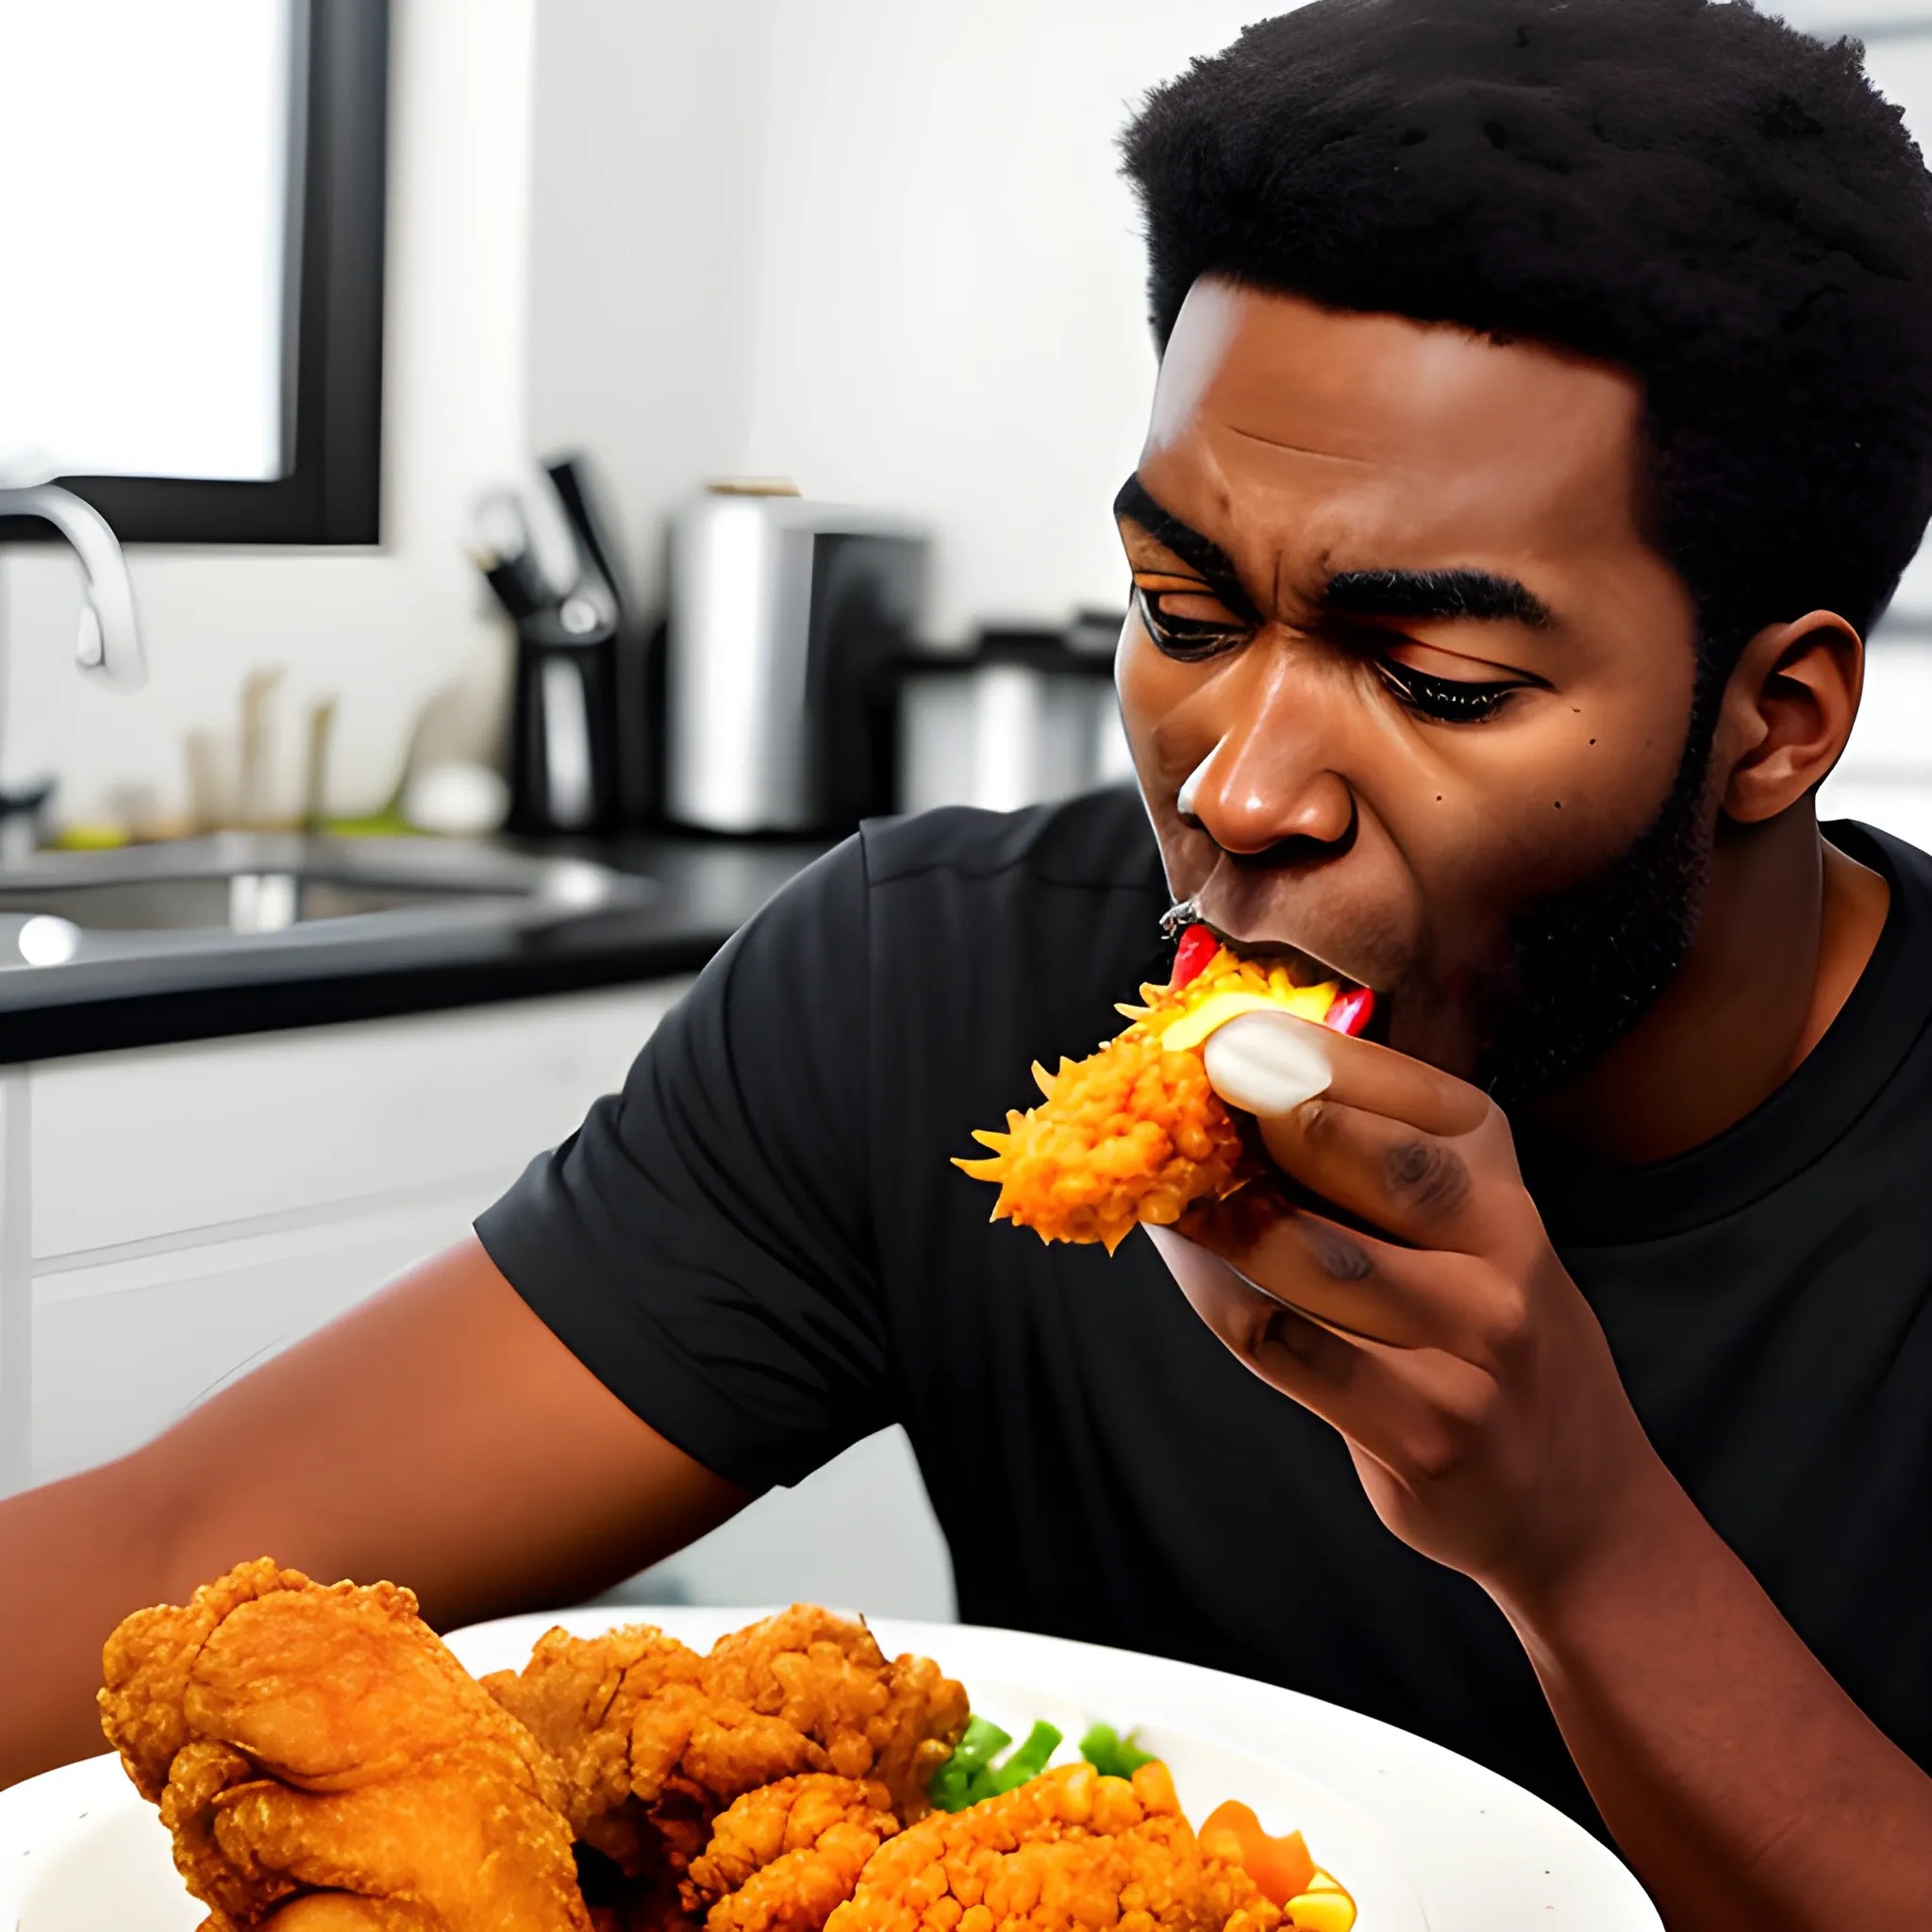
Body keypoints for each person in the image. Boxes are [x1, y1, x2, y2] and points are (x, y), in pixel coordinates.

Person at [8, 0, 1932, 1919]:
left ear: (1774, 722)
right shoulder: (928, 987)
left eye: (1436, 678)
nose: (1241, 789)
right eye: (1181, 613)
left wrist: (1578, 1537)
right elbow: (186, 1546)